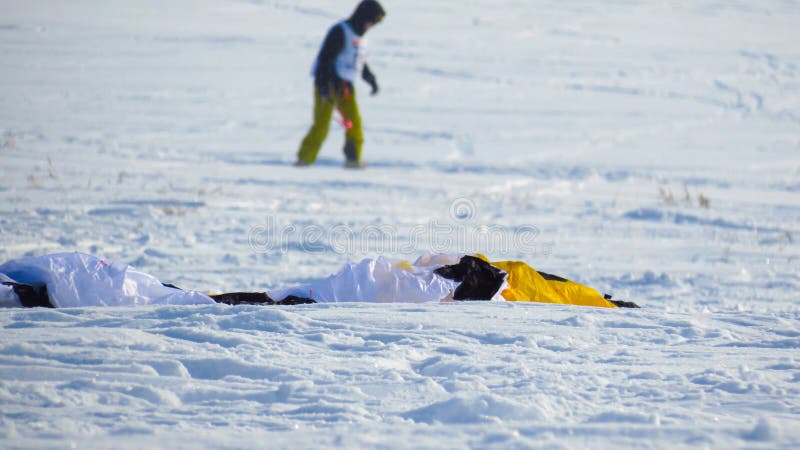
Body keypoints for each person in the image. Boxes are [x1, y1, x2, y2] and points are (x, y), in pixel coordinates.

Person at [295, 0, 386, 168]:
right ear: (363, 15)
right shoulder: (340, 31)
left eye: (375, 23)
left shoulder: (360, 37)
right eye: (372, 20)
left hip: (346, 87)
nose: (372, 25)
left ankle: (353, 159)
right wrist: (323, 86)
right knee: (321, 125)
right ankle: (304, 160)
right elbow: (325, 59)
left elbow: (359, 61)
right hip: (328, 83)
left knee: (354, 123)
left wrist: (370, 79)